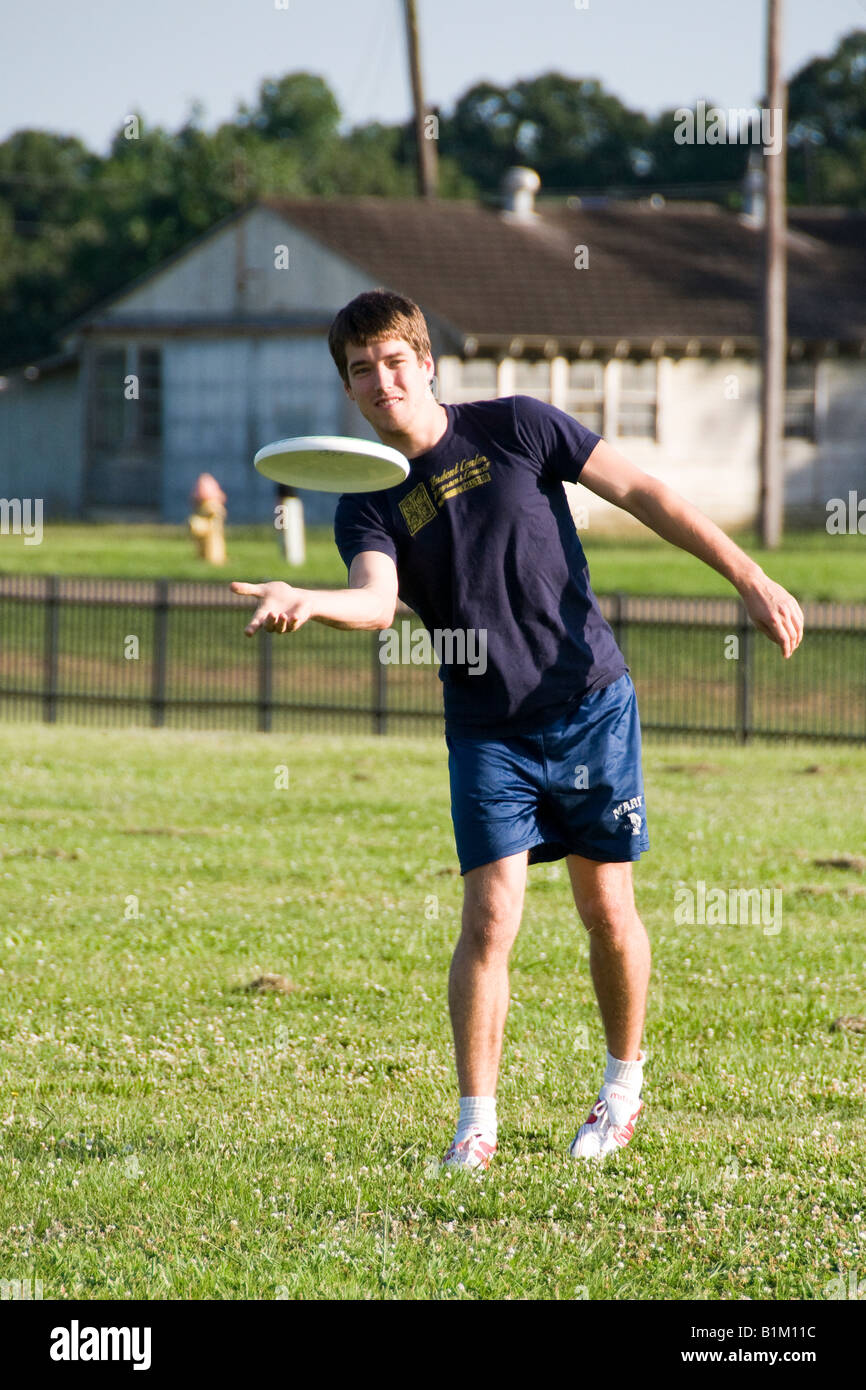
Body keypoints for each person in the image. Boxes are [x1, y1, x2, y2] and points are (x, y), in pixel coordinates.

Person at [231, 289, 804, 1170]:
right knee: (490, 920)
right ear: (348, 392)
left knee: (606, 910)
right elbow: (380, 603)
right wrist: (307, 598)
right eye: (360, 372)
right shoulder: (368, 503)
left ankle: (622, 1092)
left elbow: (644, 490)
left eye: (393, 362)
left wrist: (747, 574)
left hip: (588, 704)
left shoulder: (517, 426)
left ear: (426, 363)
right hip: (487, 729)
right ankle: (476, 1125)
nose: (381, 382)